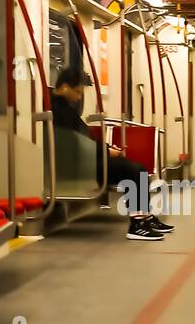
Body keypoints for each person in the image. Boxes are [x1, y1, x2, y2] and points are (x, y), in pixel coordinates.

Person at [50, 66, 173, 241]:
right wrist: (105, 150)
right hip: (79, 166)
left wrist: (107, 148)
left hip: (86, 159)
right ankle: (137, 224)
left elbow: (82, 141)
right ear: (64, 87)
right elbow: (72, 144)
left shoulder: (65, 109)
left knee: (136, 169)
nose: (78, 97)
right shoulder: (58, 111)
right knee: (135, 171)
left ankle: (144, 217)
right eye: (77, 92)